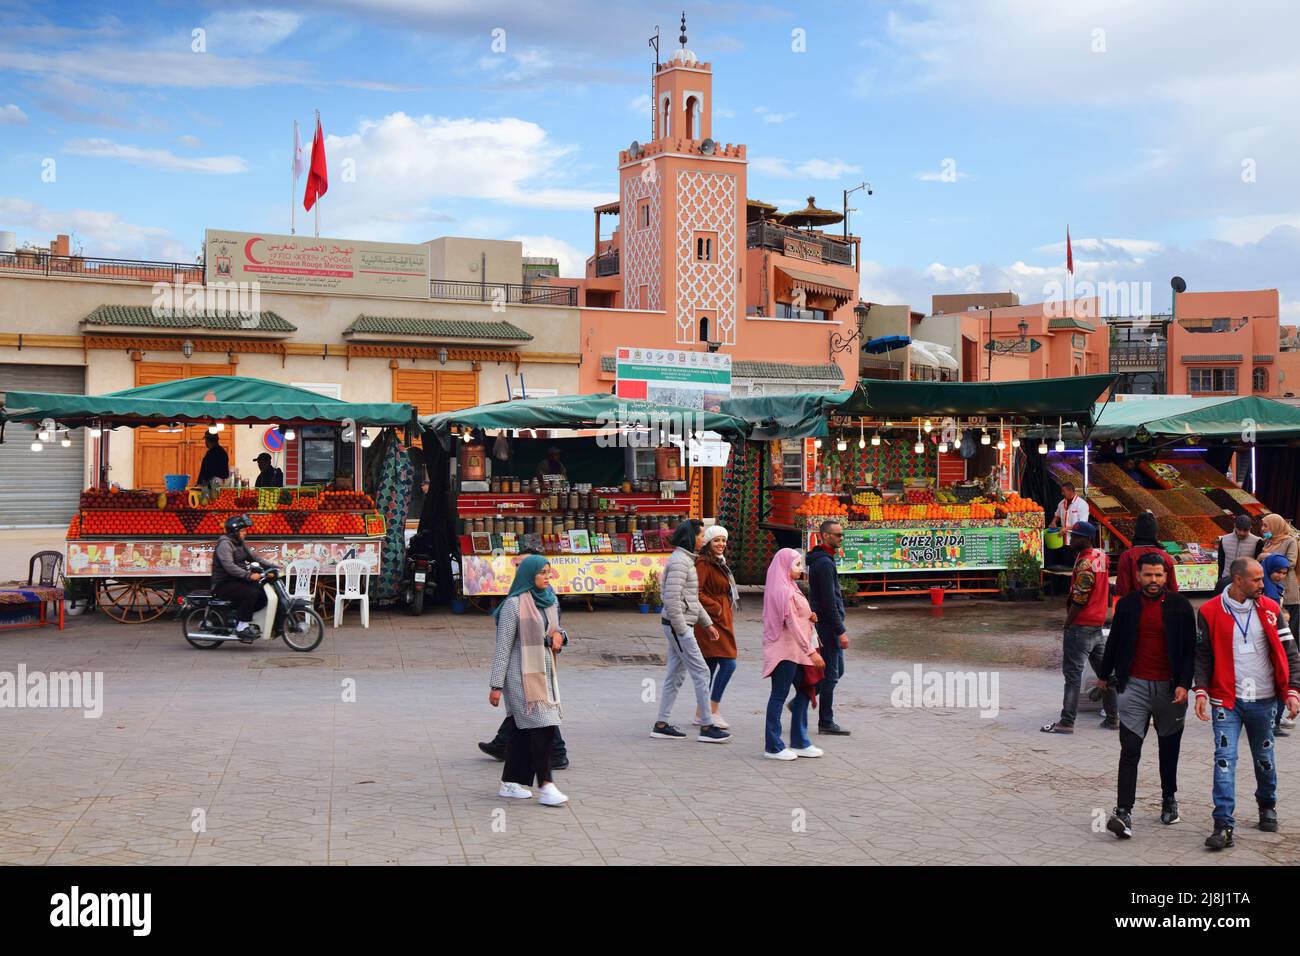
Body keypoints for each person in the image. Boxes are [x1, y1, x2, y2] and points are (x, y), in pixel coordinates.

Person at [1194, 557, 1300, 849]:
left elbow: (1291, 652)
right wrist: (1201, 690)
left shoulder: (1270, 609)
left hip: (1265, 700)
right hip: (1226, 700)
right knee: (1224, 761)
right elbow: (1202, 655)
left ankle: (1267, 805)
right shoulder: (1209, 610)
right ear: (1238, 580)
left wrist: (1293, 690)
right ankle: (1223, 825)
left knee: (1264, 760)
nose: (1262, 584)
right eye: (1256, 579)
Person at [1097, 552, 1196, 838]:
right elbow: (1114, 642)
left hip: (1170, 688)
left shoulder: (1180, 606)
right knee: (1130, 750)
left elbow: (1190, 651)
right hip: (1135, 687)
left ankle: (1169, 800)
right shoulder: (1127, 605)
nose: (1153, 580)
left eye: (1158, 575)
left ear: (1166, 577)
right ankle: (1124, 811)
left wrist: (1184, 684)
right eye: (1148, 575)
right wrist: (1104, 678)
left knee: (1169, 749)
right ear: (1139, 576)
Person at [488, 554, 569, 806]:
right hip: (518, 674)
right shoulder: (513, 605)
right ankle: (546, 785)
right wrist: (496, 686)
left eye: (549, 572)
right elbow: (503, 647)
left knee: (522, 731)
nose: (548, 576)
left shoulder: (550, 600)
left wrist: (561, 638)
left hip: (544, 672)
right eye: (542, 573)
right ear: (528, 575)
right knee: (543, 726)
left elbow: (555, 631)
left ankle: (509, 782)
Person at [651, 519, 732, 743]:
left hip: (681, 625)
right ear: (690, 537)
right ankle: (707, 724)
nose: (702, 539)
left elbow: (691, 599)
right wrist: (683, 630)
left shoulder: (686, 560)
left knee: (675, 676)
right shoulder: (680, 562)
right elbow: (671, 599)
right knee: (702, 672)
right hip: (679, 626)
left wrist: (706, 624)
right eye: (700, 535)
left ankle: (661, 723)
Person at [1042, 521, 1118, 734]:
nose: (1071, 539)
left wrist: (1068, 623)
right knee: (1106, 674)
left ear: (1086, 539)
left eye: (1075, 536)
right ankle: (1113, 718)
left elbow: (1080, 597)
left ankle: (1067, 722)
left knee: (1073, 676)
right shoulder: (1101, 556)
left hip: (1081, 625)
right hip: (1097, 624)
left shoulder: (1085, 563)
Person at [762, 548, 826, 760]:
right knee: (779, 696)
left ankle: (799, 741)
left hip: (796, 651)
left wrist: (810, 616)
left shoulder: (789, 586)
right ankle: (773, 746)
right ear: (785, 565)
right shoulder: (784, 590)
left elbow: (797, 618)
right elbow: (791, 624)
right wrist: (811, 652)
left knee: (806, 689)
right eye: (797, 564)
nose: (801, 568)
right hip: (786, 652)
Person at [807, 519, 850, 735]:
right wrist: (840, 630)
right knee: (832, 674)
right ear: (825, 536)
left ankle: (802, 699)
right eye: (837, 535)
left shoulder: (825, 560)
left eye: (842, 534)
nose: (841, 538)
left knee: (836, 671)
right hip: (827, 624)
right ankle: (825, 721)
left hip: (827, 622)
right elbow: (828, 601)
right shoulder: (823, 563)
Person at [694, 524, 739, 729]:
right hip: (710, 620)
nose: (721, 544)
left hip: (721, 617)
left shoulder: (719, 562)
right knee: (728, 664)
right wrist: (716, 608)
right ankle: (712, 709)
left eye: (723, 540)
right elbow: (696, 591)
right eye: (716, 540)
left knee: (710, 666)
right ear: (708, 543)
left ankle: (700, 711)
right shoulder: (704, 563)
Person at [211, 514, 266, 642]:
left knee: (262, 594)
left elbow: (253, 557)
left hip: (236, 581)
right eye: (242, 531)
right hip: (223, 584)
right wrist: (249, 575)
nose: (245, 533)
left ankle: (238, 617)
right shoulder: (225, 544)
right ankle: (241, 627)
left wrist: (273, 567)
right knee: (250, 593)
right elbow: (229, 566)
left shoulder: (239, 543)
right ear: (234, 532)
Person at [1263, 552, 1295, 737]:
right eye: (1277, 572)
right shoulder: (1266, 589)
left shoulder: (1274, 587)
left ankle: (1273, 720)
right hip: (1270, 642)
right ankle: (1272, 722)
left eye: (1284, 573)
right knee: (1281, 680)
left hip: (1277, 639)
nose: (1280, 576)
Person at [1114, 511, 1179, 599]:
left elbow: (1122, 589)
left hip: (1135, 606)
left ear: (1136, 531)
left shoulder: (1127, 556)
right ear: (1155, 533)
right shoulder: (1165, 556)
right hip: (1161, 606)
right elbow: (1173, 589)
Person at [1260, 513, 1300, 638]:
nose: (1262, 529)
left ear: (1275, 526)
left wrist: (1268, 557)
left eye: (1266, 526)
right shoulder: (1267, 542)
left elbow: (1291, 562)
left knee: (1289, 629)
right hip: (1269, 588)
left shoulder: (1290, 541)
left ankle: (1291, 655)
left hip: (1286, 591)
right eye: (1262, 526)